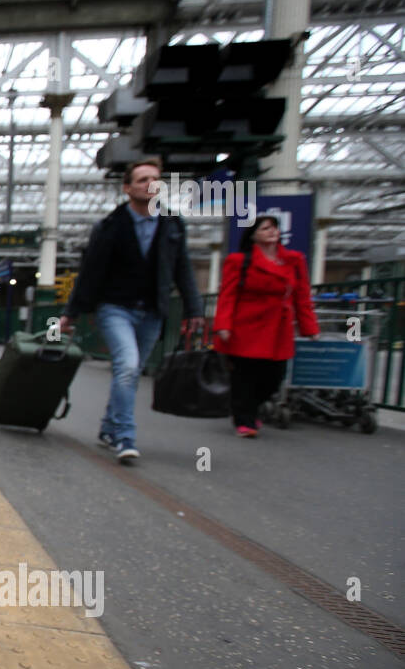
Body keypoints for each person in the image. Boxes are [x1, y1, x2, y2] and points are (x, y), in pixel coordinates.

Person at [59, 157, 204, 464]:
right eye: (142, 179)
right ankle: (125, 436)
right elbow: (90, 273)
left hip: (153, 310)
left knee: (131, 370)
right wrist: (71, 313)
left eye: (155, 179)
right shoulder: (110, 227)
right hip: (115, 309)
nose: (150, 184)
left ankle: (109, 427)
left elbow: (183, 270)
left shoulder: (172, 224)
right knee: (127, 366)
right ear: (127, 188)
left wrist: (194, 310)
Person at [213, 214, 319, 437]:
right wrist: (223, 324)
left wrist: (309, 327)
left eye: (274, 228)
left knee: (274, 376)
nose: (272, 231)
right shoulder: (239, 261)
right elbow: (228, 295)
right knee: (245, 374)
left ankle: (250, 409)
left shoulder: (294, 260)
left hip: (278, 328)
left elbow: (302, 295)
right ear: (253, 235)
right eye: (265, 228)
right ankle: (244, 419)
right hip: (246, 325)